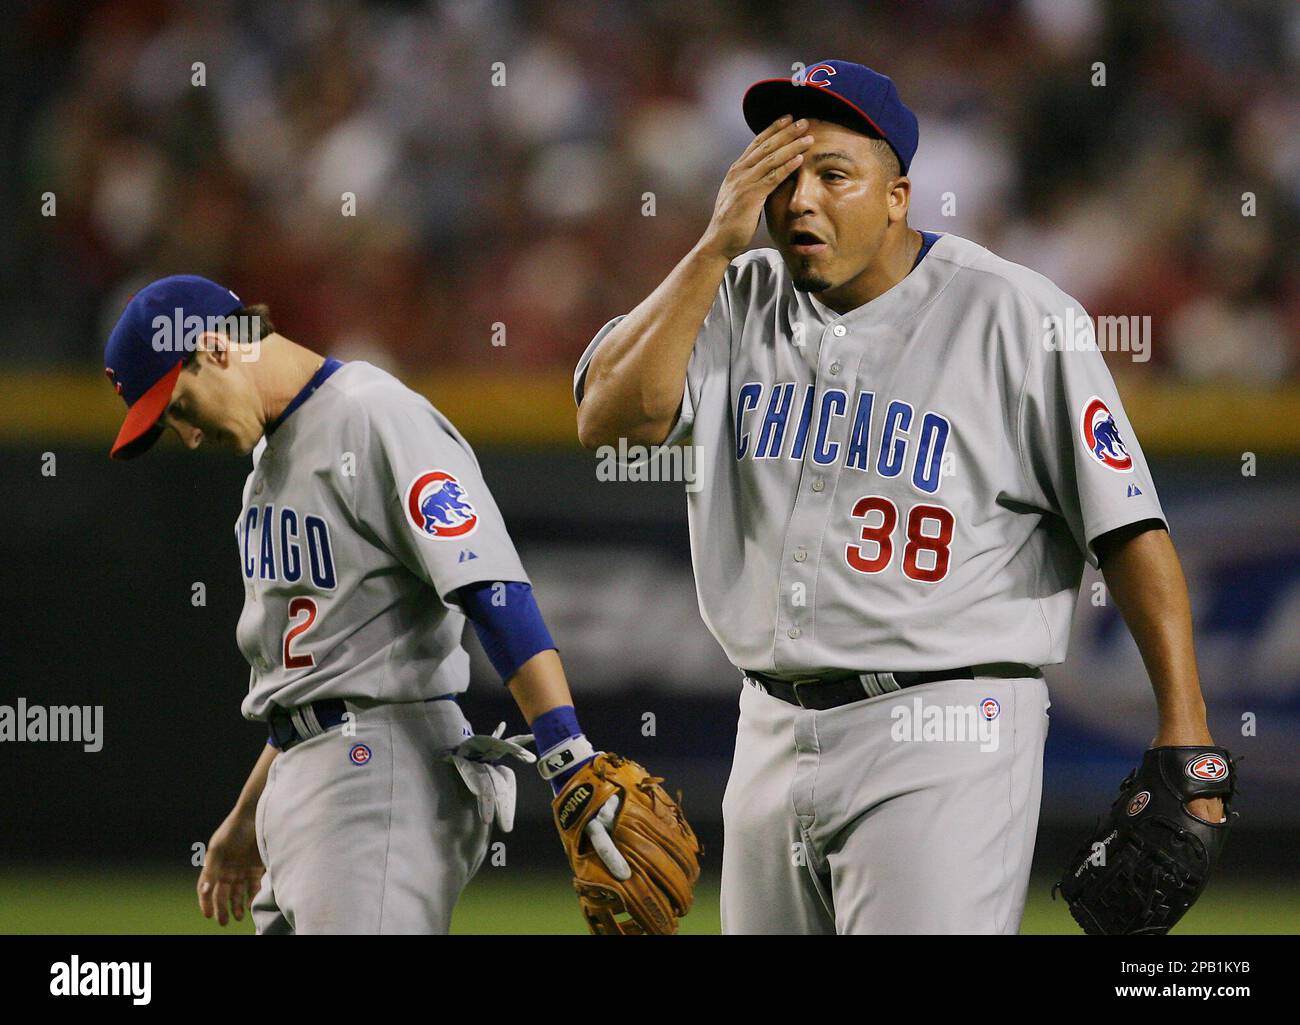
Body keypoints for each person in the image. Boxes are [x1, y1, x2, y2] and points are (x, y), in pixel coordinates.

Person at [573, 60, 1226, 934]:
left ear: (898, 195)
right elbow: (610, 420)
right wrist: (712, 246)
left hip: (945, 728)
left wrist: (1187, 734)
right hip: (767, 726)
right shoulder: (730, 296)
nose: (801, 199)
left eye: (834, 175)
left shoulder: (1017, 316)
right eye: (780, 175)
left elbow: (1130, 529)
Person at [103, 274, 638, 933]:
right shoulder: (265, 475)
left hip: (377, 774)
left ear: (213, 349)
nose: (186, 435)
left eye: (179, 408)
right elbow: (316, 683)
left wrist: (568, 753)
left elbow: (490, 588)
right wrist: (245, 819)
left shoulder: (372, 412)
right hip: (307, 779)